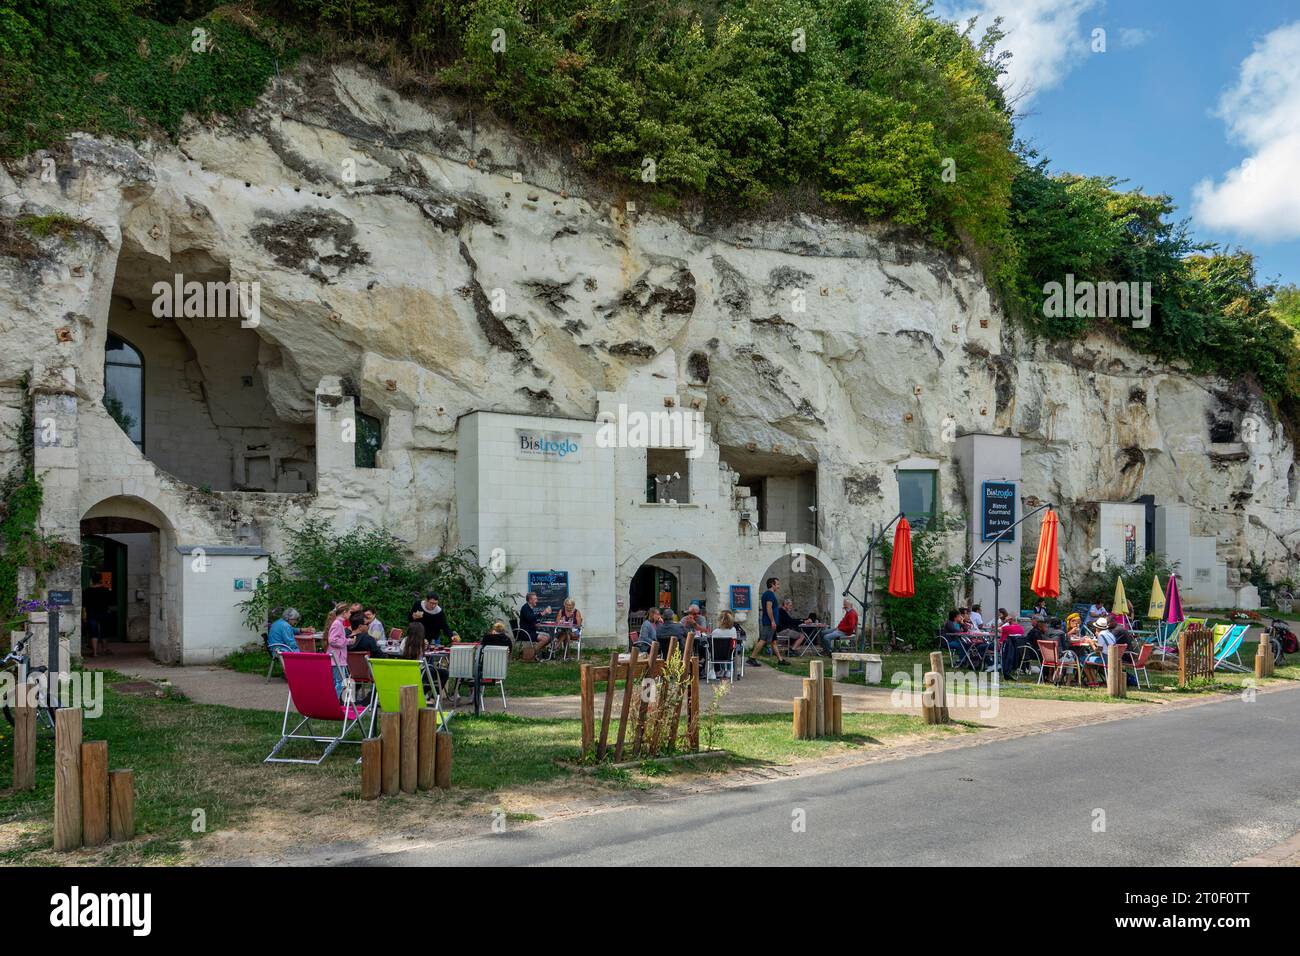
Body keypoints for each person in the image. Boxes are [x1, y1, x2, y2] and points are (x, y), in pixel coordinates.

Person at [750, 577, 787, 666]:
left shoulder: (768, 594)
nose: (778, 586)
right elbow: (768, 608)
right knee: (763, 640)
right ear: (772, 584)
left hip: (770, 622)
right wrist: (773, 621)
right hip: (769, 623)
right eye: (777, 584)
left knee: (773, 641)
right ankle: (752, 658)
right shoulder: (769, 594)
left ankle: (780, 660)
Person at [326, 600, 351, 694]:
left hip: (337, 658)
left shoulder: (338, 623)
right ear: (344, 612)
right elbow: (332, 640)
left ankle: (331, 703)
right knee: (340, 682)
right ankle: (333, 703)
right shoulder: (337, 624)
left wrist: (347, 641)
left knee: (338, 682)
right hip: (337, 659)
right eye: (349, 612)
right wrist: (347, 641)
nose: (350, 614)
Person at [707, 610, 740, 680]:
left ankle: (715, 671)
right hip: (729, 655)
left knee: (708, 648)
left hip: (716, 656)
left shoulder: (715, 632)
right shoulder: (733, 630)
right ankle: (728, 670)